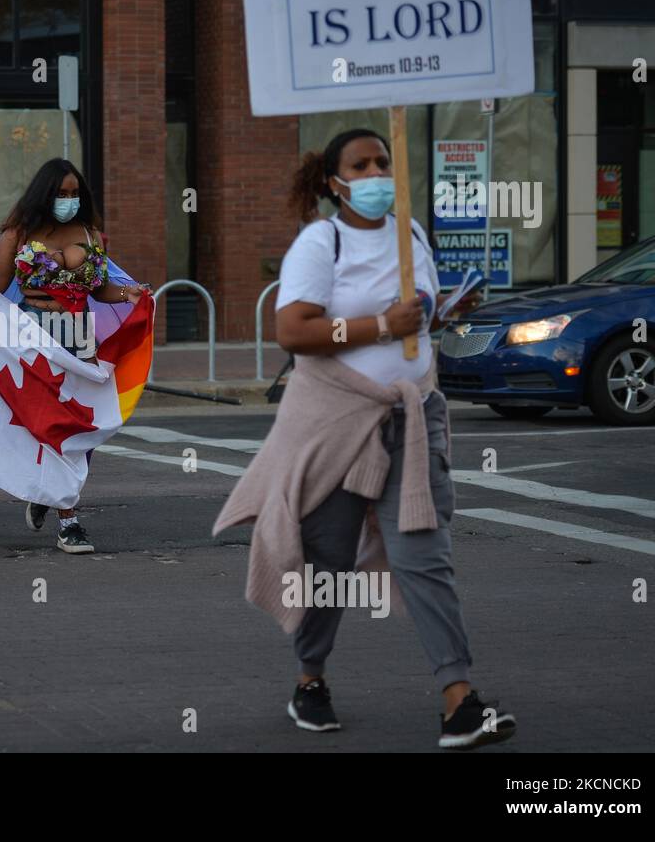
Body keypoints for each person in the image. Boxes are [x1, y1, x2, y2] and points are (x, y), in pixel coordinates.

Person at [212, 128, 516, 749]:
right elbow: (294, 332)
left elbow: (420, 314)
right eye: (362, 164)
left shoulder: (411, 237)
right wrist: (382, 325)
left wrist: (440, 312)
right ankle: (310, 680)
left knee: (423, 557)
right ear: (335, 181)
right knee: (327, 560)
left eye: (384, 161)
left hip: (411, 417)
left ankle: (459, 700)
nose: (377, 173)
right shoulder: (320, 242)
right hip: (334, 420)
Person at [0, 158, 146, 554]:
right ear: (44, 194)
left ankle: (48, 492)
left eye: (73, 194)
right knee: (48, 423)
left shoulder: (91, 233)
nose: (68, 200)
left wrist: (128, 294)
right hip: (33, 336)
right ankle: (70, 522)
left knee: (83, 428)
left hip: (80, 339)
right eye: (60, 194)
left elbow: (100, 290)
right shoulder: (19, 231)